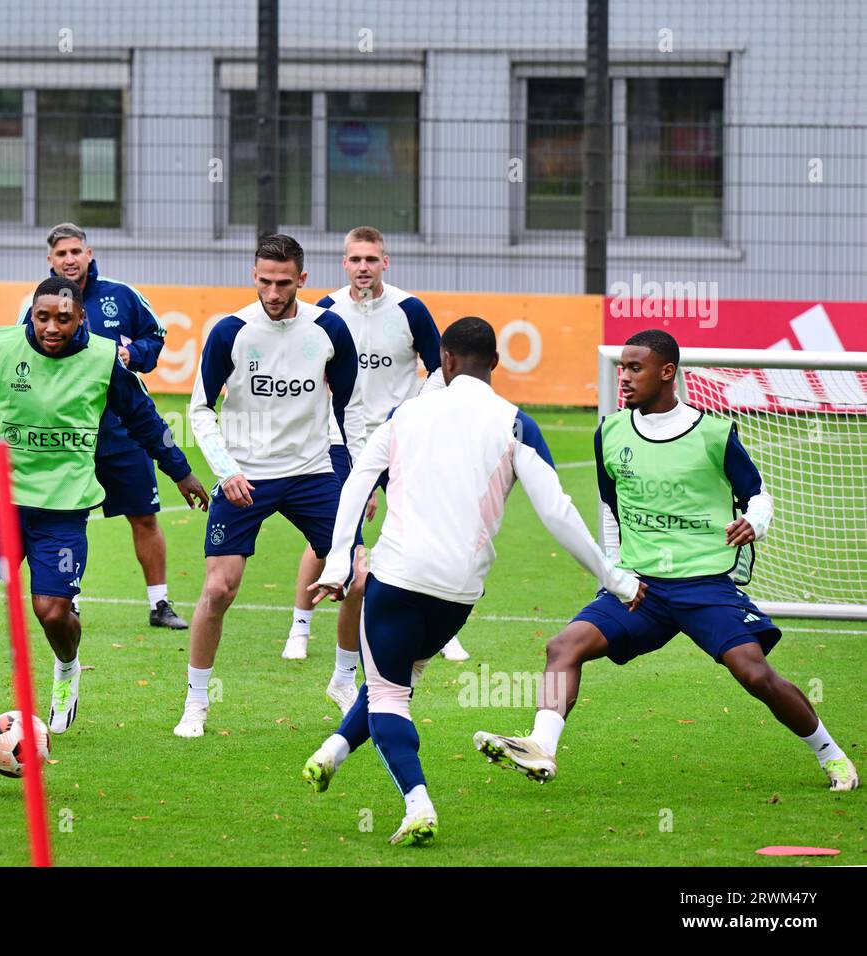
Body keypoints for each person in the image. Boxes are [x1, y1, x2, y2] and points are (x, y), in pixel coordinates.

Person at [303, 317, 643, 846]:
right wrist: (613, 576)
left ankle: (417, 804)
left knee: (390, 695)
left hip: (397, 577)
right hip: (459, 595)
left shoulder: (406, 414)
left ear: (445, 361)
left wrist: (338, 563)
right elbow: (558, 513)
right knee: (397, 675)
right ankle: (334, 750)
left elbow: (357, 485)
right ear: (496, 365)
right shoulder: (515, 422)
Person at [474, 329, 859, 792]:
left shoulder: (714, 434)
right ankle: (541, 747)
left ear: (667, 372)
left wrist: (754, 522)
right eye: (622, 368)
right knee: (563, 647)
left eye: (636, 368)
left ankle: (832, 755)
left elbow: (757, 495)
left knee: (754, 673)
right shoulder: (611, 434)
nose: (625, 379)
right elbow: (615, 506)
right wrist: (618, 571)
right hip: (641, 589)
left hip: (705, 587)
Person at [0, 276, 208, 752]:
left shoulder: (104, 360)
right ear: (32, 314)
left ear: (81, 317)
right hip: (0, 502)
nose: (52, 327)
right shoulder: (2, 347)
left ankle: (67, 669)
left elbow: (147, 420)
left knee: (52, 612)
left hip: (63, 509)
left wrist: (181, 473)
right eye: (43, 317)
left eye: (63, 318)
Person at [176, 233, 366, 737]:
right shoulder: (231, 332)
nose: (274, 292)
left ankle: (343, 679)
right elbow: (199, 410)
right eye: (265, 281)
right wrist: (226, 470)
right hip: (246, 477)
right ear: (253, 276)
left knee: (360, 577)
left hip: (313, 473)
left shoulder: (329, 329)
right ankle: (196, 701)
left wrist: (364, 480)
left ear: (302, 279)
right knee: (219, 589)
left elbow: (352, 412)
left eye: (284, 283)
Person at [281, 226, 469, 685]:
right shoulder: (325, 311)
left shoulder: (410, 309)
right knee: (333, 528)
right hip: (342, 437)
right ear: (343, 264)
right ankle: (300, 626)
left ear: (386, 262)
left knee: (422, 526)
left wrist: (416, 408)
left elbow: (442, 369)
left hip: (401, 435)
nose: (363, 266)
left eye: (371, 259)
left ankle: (440, 631)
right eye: (355, 259)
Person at [17, 223, 186, 629]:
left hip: (123, 431)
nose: (70, 260)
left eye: (76, 251)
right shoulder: (38, 306)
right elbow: (25, 354)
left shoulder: (121, 294)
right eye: (62, 254)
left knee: (144, 516)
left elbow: (156, 336)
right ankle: (67, 599)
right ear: (50, 261)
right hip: (69, 437)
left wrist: (133, 353)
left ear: (89, 254)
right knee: (66, 517)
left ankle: (159, 603)